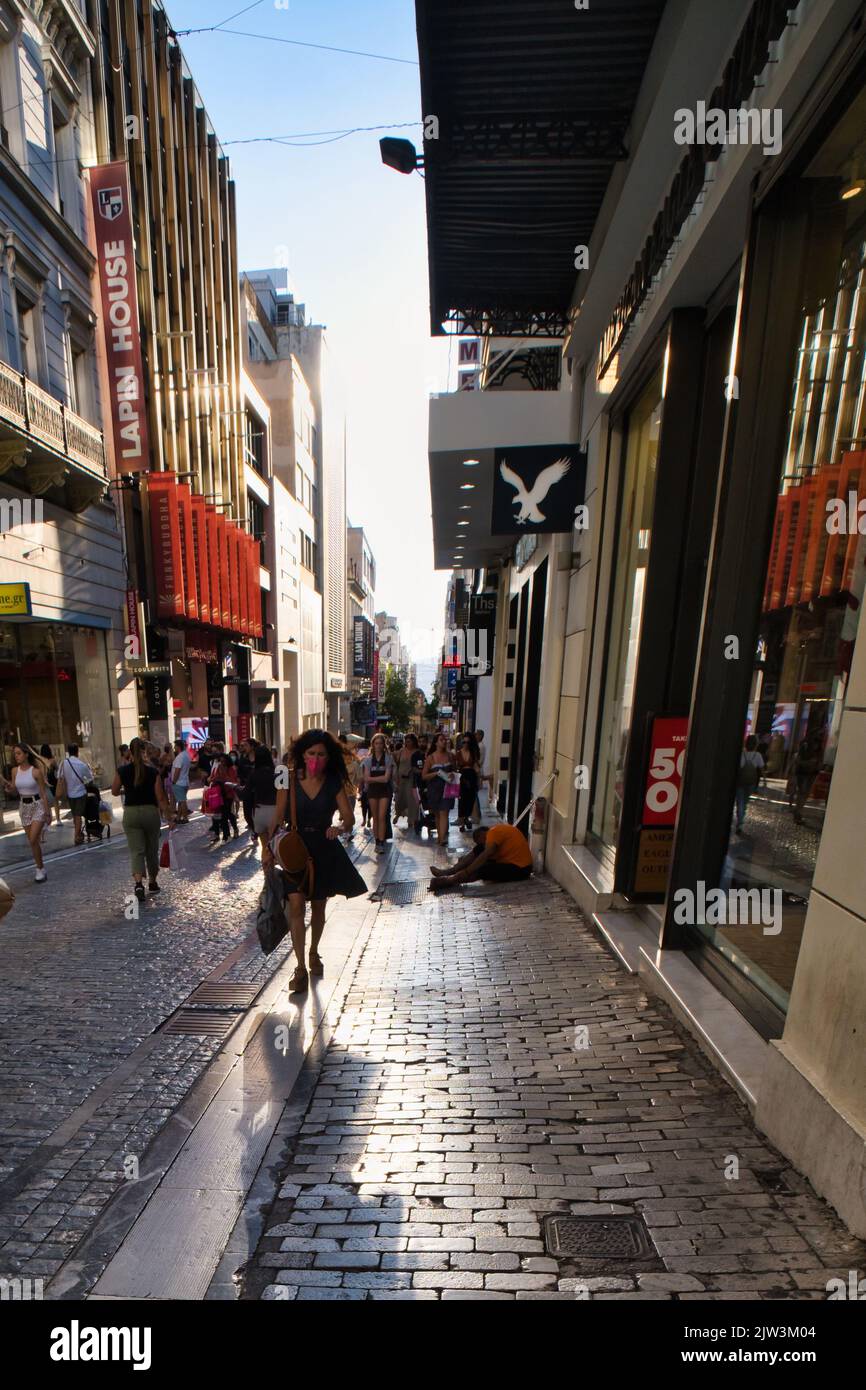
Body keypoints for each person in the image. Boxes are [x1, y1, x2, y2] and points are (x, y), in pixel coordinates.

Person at [266, 729, 366, 994]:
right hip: (294, 849)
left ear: (328, 756)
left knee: (319, 907)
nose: (316, 758)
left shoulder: (333, 780)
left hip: (323, 847)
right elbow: (277, 815)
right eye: (311, 753)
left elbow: (349, 817)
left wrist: (341, 828)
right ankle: (300, 968)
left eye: (321, 754)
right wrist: (267, 848)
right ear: (302, 753)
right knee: (296, 906)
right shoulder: (283, 777)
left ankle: (313, 951)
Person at [111, 738, 173, 901]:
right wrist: (169, 817)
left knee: (136, 851)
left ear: (129, 752)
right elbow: (160, 797)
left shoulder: (122, 771)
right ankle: (152, 881)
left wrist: (128, 789)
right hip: (150, 812)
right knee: (151, 849)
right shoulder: (153, 772)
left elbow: (114, 791)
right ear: (145, 751)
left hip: (131, 813)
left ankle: (138, 884)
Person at [429, 822, 532, 892]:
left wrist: (467, 872)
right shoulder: (496, 833)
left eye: (479, 842)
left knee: (483, 869)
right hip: (519, 866)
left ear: (481, 836)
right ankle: (449, 872)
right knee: (479, 851)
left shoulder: (493, 833)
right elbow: (483, 853)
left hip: (521, 869)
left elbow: (485, 855)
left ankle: (450, 880)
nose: (481, 844)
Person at [2, 744, 51, 881]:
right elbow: (14, 789)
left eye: (18, 753)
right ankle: (40, 868)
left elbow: (43, 793)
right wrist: (8, 787)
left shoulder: (35, 772)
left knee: (33, 838)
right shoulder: (14, 771)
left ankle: (39, 869)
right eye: (15, 754)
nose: (16, 756)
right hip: (24, 807)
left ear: (26, 754)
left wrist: (48, 813)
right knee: (33, 842)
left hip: (37, 806)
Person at [361, 732, 395, 853]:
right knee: (375, 817)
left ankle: (381, 841)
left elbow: (386, 778)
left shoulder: (388, 759)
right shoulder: (368, 760)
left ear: (384, 745)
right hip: (372, 790)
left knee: (382, 816)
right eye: (376, 743)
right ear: (373, 745)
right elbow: (366, 778)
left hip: (385, 790)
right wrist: (378, 778)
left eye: (381, 743)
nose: (379, 746)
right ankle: (377, 841)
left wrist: (373, 779)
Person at [422, 733, 455, 846]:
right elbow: (424, 775)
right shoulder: (430, 758)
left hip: (447, 788)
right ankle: (440, 837)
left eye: (445, 740)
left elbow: (455, 770)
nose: (444, 742)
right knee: (437, 814)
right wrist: (436, 773)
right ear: (436, 742)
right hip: (434, 789)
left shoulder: (450, 756)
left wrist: (453, 775)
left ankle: (442, 838)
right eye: (441, 740)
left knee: (444, 812)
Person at [57, 743, 94, 846]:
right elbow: (90, 778)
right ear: (77, 751)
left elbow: (59, 776)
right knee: (78, 816)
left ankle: (77, 834)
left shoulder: (63, 763)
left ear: (68, 752)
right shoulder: (81, 764)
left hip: (69, 794)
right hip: (80, 793)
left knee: (75, 815)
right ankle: (76, 837)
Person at [249, 744, 279, 858]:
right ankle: (272, 872)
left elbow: (246, 793)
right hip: (274, 811)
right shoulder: (276, 772)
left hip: (259, 811)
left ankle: (267, 873)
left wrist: (235, 788)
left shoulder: (253, 773)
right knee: (274, 846)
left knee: (264, 846)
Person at [734, 734, 764, 834]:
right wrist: (764, 781)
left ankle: (740, 822)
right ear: (756, 744)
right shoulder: (758, 755)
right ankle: (741, 821)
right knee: (745, 802)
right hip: (751, 782)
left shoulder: (742, 754)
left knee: (740, 802)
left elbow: (738, 767)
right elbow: (761, 768)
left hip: (740, 781)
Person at [208, 754, 239, 844]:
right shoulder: (219, 767)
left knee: (226, 814)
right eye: (220, 761)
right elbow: (216, 777)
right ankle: (229, 833)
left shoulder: (231, 769)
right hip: (220, 794)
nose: (222, 763)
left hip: (228, 794)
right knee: (225, 814)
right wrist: (212, 779)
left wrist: (223, 776)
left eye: (223, 761)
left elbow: (232, 781)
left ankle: (228, 834)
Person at [393, 733, 421, 830]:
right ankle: (398, 814)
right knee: (399, 799)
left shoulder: (417, 752)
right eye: (406, 741)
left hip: (412, 779)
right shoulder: (401, 751)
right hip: (401, 779)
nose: (407, 743)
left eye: (409, 741)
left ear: (413, 741)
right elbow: (396, 763)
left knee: (412, 800)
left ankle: (412, 820)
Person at [456, 732, 481, 833]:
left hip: (471, 776)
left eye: (467, 742)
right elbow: (456, 766)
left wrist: (479, 780)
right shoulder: (458, 753)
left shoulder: (473, 753)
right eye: (463, 742)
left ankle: (466, 817)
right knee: (462, 799)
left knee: (470, 799)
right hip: (462, 776)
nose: (465, 744)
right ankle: (462, 821)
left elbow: (476, 767)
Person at [39, 743, 62, 826]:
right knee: (55, 801)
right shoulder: (52, 760)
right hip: (53, 781)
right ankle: (58, 819)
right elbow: (57, 769)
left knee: (46, 801)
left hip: (43, 782)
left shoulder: (40, 760)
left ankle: (48, 819)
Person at [171, 738, 191, 824]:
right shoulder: (186, 755)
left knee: (182, 801)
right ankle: (178, 817)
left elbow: (177, 770)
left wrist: (174, 781)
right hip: (185, 781)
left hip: (179, 782)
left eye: (175, 746)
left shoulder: (180, 757)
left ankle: (185, 818)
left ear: (178, 747)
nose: (174, 748)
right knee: (180, 800)